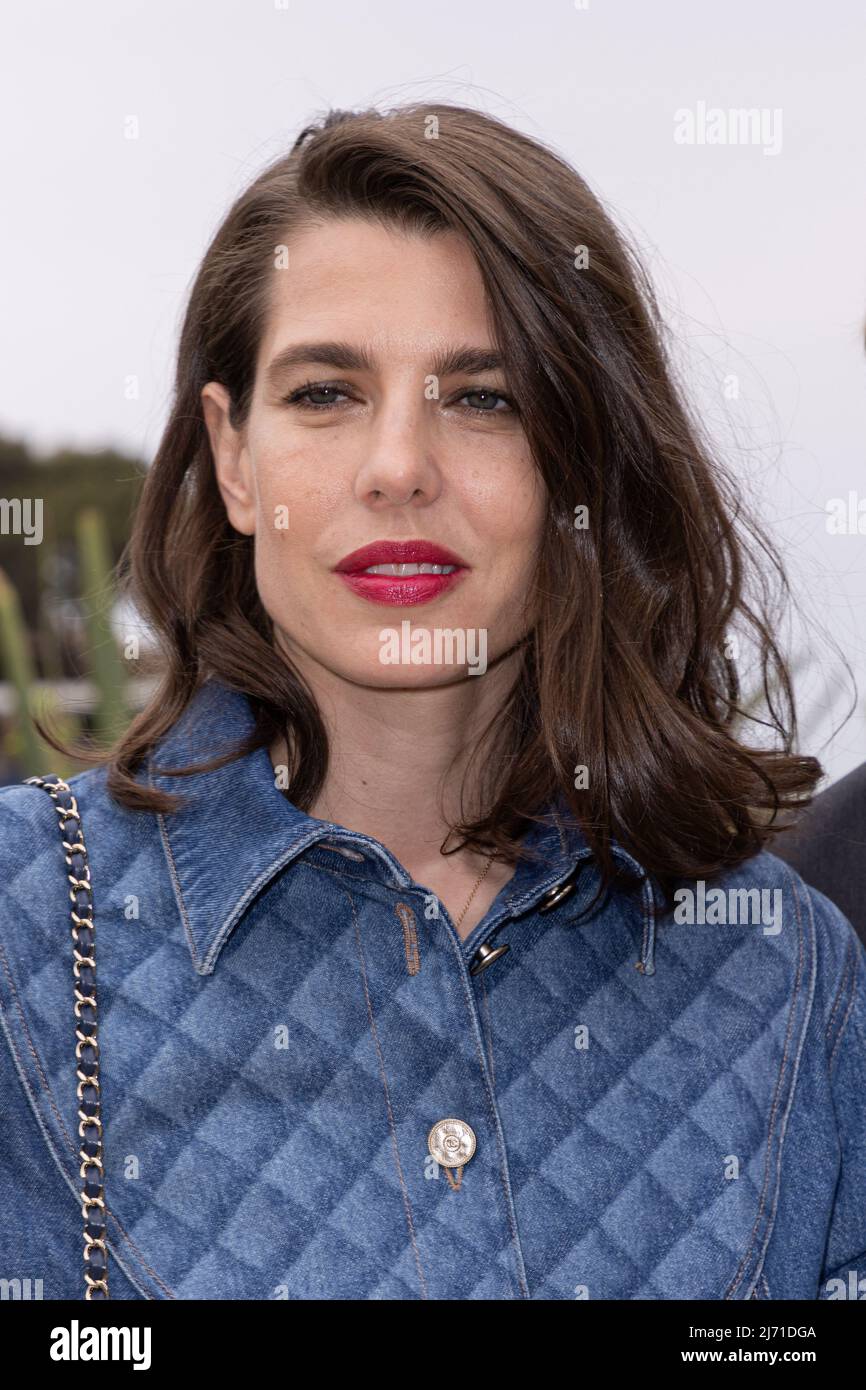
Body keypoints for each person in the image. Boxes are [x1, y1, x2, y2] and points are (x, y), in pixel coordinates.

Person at [1, 102, 864, 1302]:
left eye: (481, 398)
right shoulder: (25, 930)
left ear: (582, 463)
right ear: (234, 456)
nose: (398, 463)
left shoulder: (786, 973)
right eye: (323, 393)